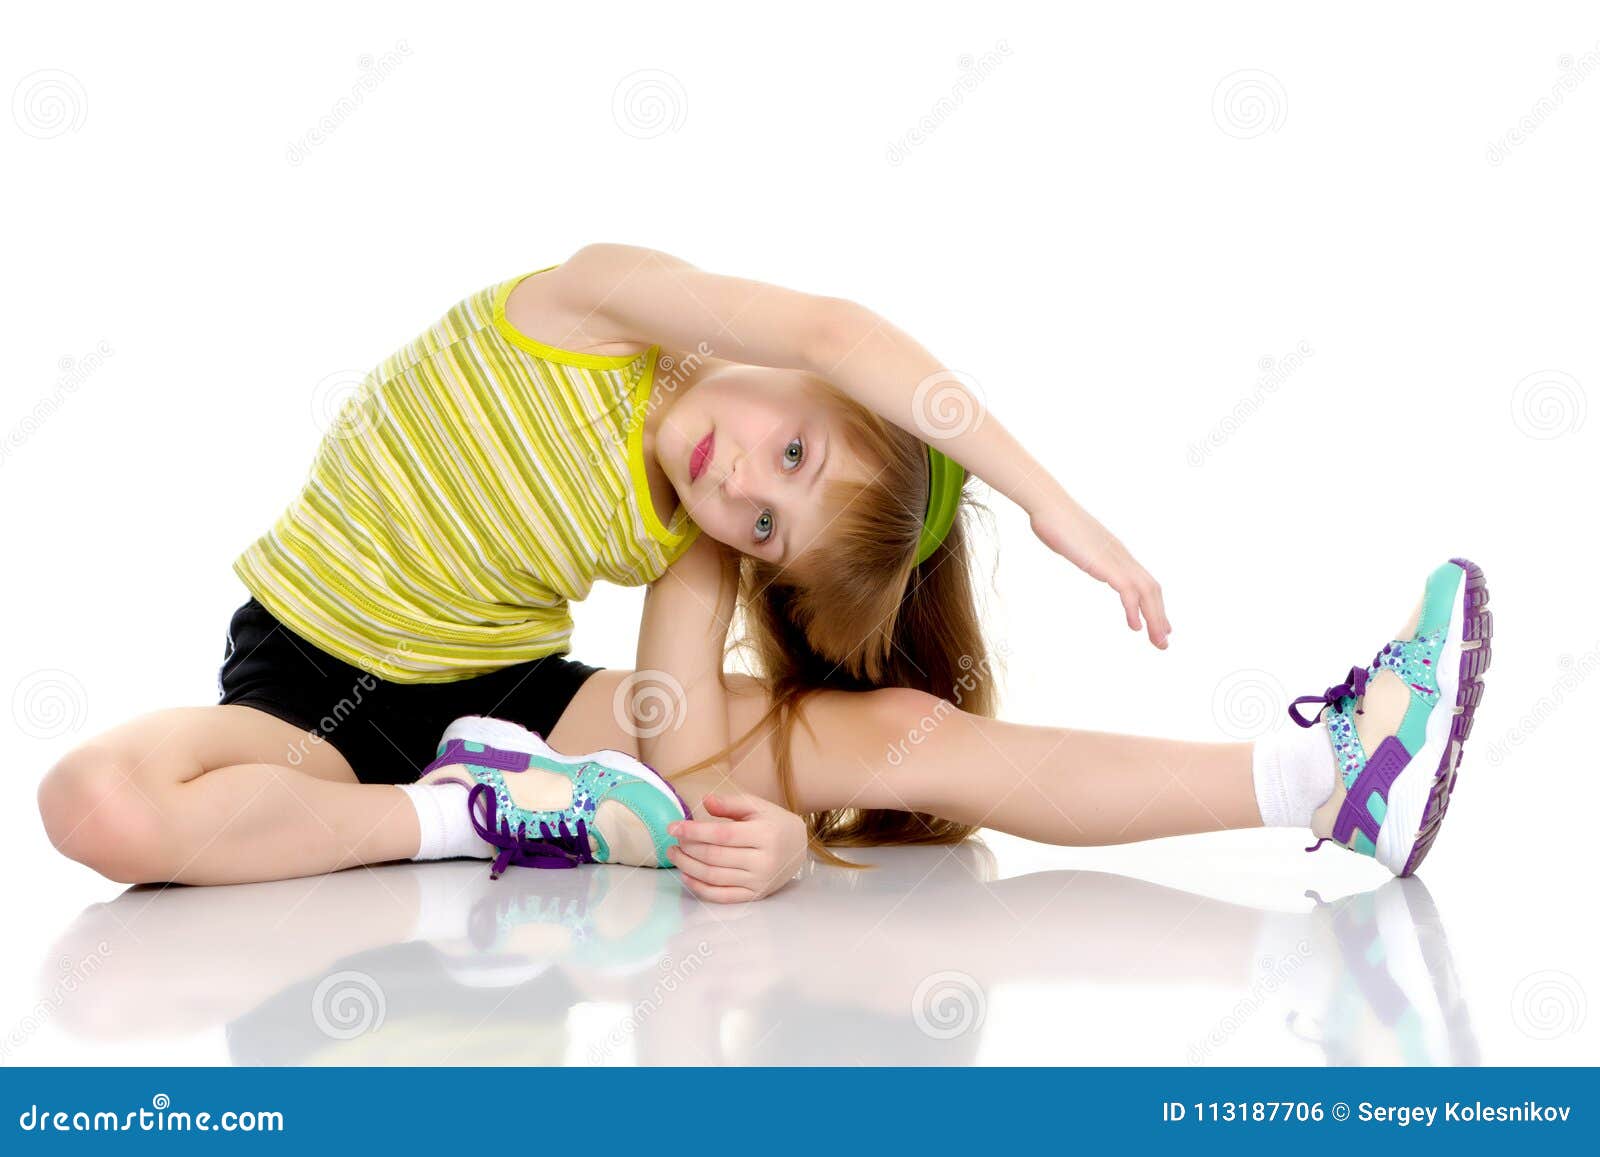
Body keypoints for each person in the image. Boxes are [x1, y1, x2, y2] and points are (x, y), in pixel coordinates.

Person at [36, 244, 1493, 903]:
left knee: (910, 741)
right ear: (798, 374)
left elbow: (667, 736)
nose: (738, 483)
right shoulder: (591, 306)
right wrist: (1052, 504)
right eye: (788, 451)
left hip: (503, 703)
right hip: (304, 687)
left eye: (769, 527)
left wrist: (738, 834)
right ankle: (452, 823)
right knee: (97, 803)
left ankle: (1328, 775)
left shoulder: (694, 535)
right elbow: (844, 323)